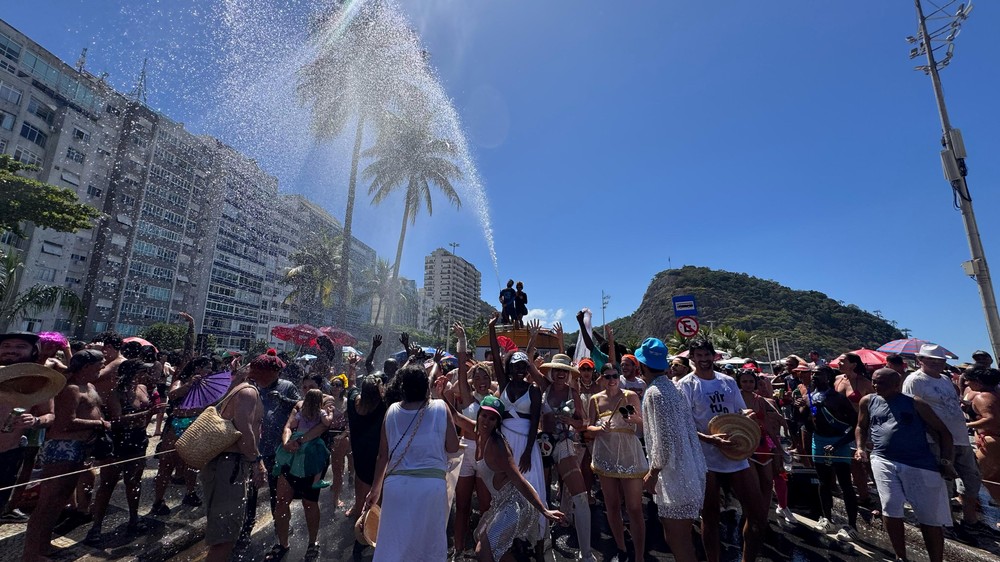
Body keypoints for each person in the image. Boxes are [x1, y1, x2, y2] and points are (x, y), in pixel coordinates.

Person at [676, 338, 767, 562]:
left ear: (713, 356)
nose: (704, 360)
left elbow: (740, 410)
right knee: (710, 515)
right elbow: (683, 425)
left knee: (757, 515)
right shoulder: (686, 385)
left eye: (707, 355)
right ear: (692, 358)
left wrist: (748, 416)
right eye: (699, 355)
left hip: (736, 453)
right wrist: (711, 439)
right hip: (705, 457)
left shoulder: (728, 381)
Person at [855, 368, 956, 562]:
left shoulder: (916, 403)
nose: (876, 386)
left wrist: (946, 461)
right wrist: (860, 448)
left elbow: (943, 432)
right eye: (874, 382)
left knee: (929, 517)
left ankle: (936, 559)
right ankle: (900, 556)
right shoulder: (868, 401)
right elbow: (861, 425)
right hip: (882, 459)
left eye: (882, 383)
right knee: (890, 506)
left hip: (919, 463)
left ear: (896, 384)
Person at [364, 364, 460, 561]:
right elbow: (453, 448)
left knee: (394, 543)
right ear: (426, 386)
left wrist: (375, 490)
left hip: (396, 487)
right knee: (427, 544)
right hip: (430, 488)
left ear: (402, 388)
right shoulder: (441, 408)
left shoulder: (391, 411)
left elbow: (383, 456)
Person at [22, 349, 108, 562]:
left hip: (79, 449)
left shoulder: (89, 386)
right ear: (86, 367)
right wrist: (98, 424)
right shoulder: (70, 389)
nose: (101, 369)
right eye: (99, 365)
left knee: (60, 500)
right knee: (48, 502)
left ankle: (44, 545)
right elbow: (65, 422)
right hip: (63, 448)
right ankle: (31, 553)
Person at [902, 344, 985, 535]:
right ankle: (946, 522)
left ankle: (970, 519)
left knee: (971, 479)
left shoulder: (946, 379)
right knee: (943, 482)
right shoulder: (915, 380)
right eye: (931, 360)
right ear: (921, 361)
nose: (937, 364)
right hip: (935, 439)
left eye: (940, 361)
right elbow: (911, 409)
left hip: (960, 437)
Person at [636, 338, 706, 562]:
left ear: (642, 366)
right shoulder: (674, 388)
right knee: (680, 538)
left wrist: (652, 473)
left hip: (676, 477)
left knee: (679, 542)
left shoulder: (654, 393)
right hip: (691, 470)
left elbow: (663, 441)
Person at [471, 395, 564, 562]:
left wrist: (544, 510)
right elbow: (456, 417)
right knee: (488, 544)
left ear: (497, 422)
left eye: (492, 418)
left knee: (483, 552)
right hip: (500, 503)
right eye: (484, 415)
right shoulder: (478, 432)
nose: (486, 421)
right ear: (478, 414)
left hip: (515, 504)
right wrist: (441, 394)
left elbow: (519, 479)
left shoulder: (498, 445)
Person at [487, 313, 547, 557]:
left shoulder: (533, 391)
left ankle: (533, 537)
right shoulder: (504, 383)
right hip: (504, 442)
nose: (520, 370)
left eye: (523, 366)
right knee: (506, 488)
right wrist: (491, 328)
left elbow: (534, 423)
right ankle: (511, 536)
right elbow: (495, 356)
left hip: (525, 445)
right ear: (510, 368)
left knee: (530, 485)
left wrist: (527, 451)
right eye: (516, 366)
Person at [86, 358, 162, 544]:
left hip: (138, 439)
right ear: (133, 374)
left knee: (134, 481)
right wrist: (146, 413)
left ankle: (134, 518)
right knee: (107, 484)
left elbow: (144, 416)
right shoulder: (116, 393)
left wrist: (150, 414)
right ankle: (96, 526)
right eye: (143, 371)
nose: (146, 374)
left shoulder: (143, 389)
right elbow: (117, 419)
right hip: (118, 442)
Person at [531, 351, 594, 562]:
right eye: (557, 370)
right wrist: (531, 343)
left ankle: (586, 553)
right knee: (542, 494)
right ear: (551, 371)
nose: (560, 374)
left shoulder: (572, 393)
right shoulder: (544, 387)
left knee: (581, 495)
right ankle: (541, 542)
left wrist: (570, 422)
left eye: (564, 371)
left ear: (568, 374)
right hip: (543, 445)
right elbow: (529, 364)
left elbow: (583, 422)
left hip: (564, 443)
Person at [203, 359, 267, 562]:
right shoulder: (248, 392)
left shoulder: (236, 388)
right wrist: (257, 461)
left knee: (222, 533)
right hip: (229, 466)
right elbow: (244, 431)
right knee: (224, 537)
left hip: (225, 465)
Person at [238, 349, 300, 551]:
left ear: (275, 373)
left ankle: (279, 528)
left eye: (265, 373)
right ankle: (246, 530)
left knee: (277, 493)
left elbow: (299, 407)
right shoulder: (252, 387)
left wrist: (284, 401)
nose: (261, 377)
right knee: (250, 493)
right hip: (255, 448)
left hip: (276, 450)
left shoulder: (287, 387)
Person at [587, 357, 646, 561]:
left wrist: (636, 420)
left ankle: (639, 555)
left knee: (634, 507)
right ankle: (621, 547)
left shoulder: (630, 396)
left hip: (629, 453)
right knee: (611, 505)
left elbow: (643, 425)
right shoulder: (596, 399)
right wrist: (598, 428)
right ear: (601, 378)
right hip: (606, 455)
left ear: (619, 377)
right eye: (607, 376)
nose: (611, 379)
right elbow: (589, 428)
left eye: (615, 376)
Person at [268, 387, 334, 562]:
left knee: (309, 503)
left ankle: (313, 543)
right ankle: (282, 543)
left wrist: (298, 441)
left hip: (311, 461)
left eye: (309, 386)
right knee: (281, 501)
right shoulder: (299, 405)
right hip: (291, 456)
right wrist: (286, 442)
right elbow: (288, 426)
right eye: (303, 386)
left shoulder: (327, 403)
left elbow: (321, 428)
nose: (304, 389)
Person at [448, 323, 495, 558]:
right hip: (466, 453)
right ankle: (457, 549)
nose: (481, 381)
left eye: (484, 376)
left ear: (490, 379)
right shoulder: (467, 398)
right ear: (471, 381)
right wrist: (463, 341)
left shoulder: (495, 401)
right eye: (476, 377)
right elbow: (460, 364)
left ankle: (485, 548)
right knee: (463, 505)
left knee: (487, 507)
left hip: (487, 455)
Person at [801, 366, 859, 540]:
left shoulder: (838, 398)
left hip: (838, 442)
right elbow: (810, 422)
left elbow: (854, 424)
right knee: (824, 482)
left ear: (829, 377)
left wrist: (839, 444)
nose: (815, 377)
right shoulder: (809, 397)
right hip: (819, 441)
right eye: (814, 374)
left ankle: (852, 525)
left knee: (844, 483)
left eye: (820, 374)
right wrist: (802, 409)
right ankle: (827, 518)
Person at [833, 352, 875, 506]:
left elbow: (877, 404)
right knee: (852, 463)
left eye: (843, 361)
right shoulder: (837, 380)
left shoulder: (864, 383)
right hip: (842, 427)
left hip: (862, 426)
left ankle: (873, 494)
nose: (839, 363)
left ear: (853, 365)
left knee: (867, 462)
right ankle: (863, 495)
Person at [964, 367, 1000, 520]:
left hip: (992, 441)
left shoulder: (982, 397)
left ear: (978, 382)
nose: (966, 383)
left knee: (987, 479)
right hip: (993, 439)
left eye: (969, 380)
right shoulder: (995, 394)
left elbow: (990, 419)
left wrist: (965, 425)